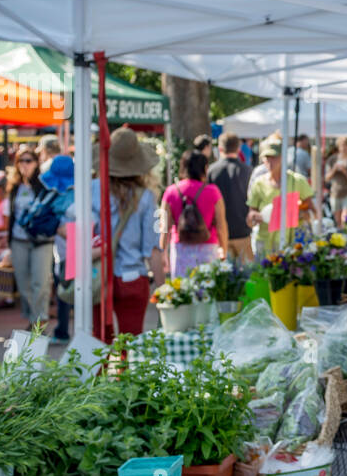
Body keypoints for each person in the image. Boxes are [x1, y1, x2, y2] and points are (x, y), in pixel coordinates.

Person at [84, 127, 165, 342]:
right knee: (131, 344)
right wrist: (163, 289)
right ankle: (124, 366)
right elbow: (152, 249)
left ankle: (101, 367)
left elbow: (76, 231)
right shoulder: (146, 197)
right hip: (132, 277)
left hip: (97, 275)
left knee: (98, 343)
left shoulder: (90, 190)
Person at [6, 147, 58, 327]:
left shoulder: (43, 185)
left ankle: (39, 320)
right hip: (18, 240)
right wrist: (8, 241)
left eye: (28, 161)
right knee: (23, 284)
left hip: (41, 240)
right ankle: (32, 318)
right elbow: (11, 215)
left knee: (40, 282)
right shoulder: (15, 186)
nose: (25, 165)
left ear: (36, 163)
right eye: (21, 161)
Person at [161, 149, 227, 277]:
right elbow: (221, 226)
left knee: (182, 287)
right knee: (207, 285)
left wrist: (162, 254)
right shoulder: (213, 192)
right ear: (205, 168)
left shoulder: (170, 192)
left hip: (180, 249)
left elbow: (164, 227)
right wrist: (223, 249)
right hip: (208, 248)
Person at [247, 139, 314, 257]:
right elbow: (250, 216)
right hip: (266, 244)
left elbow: (312, 211)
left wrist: (300, 213)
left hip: (292, 244)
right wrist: (254, 217)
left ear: (283, 158)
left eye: (274, 157)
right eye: (266, 157)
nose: (269, 161)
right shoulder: (259, 183)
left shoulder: (297, 181)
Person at [41, 155, 75, 344]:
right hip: (64, 251)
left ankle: (63, 331)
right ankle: (63, 330)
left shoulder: (65, 197)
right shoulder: (71, 194)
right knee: (65, 291)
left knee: (65, 292)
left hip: (71, 251)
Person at [207, 132, 254, 262]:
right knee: (247, 272)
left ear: (220, 148)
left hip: (220, 233)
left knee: (222, 272)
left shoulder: (211, 171)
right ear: (238, 149)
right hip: (243, 230)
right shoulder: (248, 170)